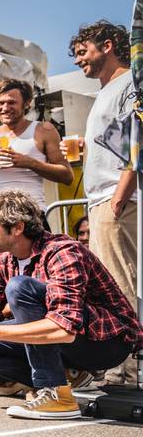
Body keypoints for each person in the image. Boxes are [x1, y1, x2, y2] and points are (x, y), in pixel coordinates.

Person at [0, 190, 142, 418]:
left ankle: (55, 393)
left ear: (17, 228)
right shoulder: (5, 259)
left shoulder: (63, 252)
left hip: (106, 343)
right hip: (67, 340)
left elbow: (64, 329)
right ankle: (67, 378)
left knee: (20, 287)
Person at [67, 20, 138, 387]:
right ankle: (116, 366)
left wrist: (119, 196)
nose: (79, 60)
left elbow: (138, 141)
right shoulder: (107, 90)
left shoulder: (130, 83)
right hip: (103, 199)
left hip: (116, 199)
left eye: (83, 52)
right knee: (108, 284)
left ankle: (123, 371)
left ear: (108, 46)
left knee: (118, 283)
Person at [0, 80, 73, 209]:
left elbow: (67, 176)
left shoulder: (44, 129)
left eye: (11, 102)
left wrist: (29, 163)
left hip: (31, 213)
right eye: (1, 103)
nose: (5, 108)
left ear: (26, 104)